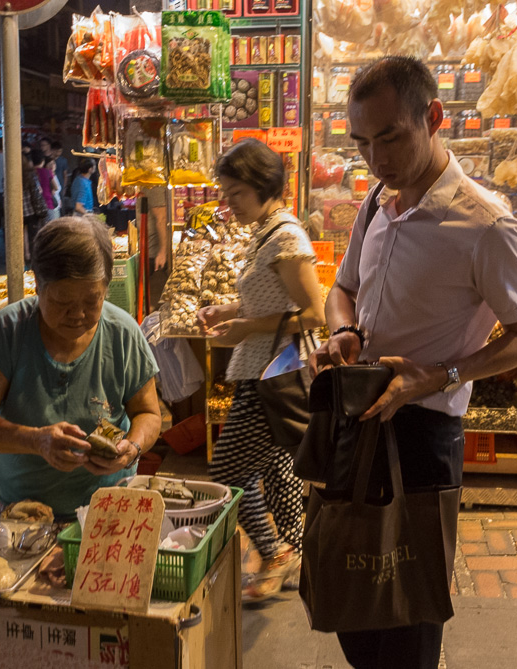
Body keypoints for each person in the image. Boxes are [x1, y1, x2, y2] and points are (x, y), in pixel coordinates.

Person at [308, 57, 517, 668]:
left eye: (390, 137)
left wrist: (440, 376)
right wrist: (343, 331)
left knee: (408, 610)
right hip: (359, 418)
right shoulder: (376, 202)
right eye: (362, 142)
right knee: (351, 595)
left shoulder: (486, 225)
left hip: (423, 436)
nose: (376, 159)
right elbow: (343, 289)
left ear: (434, 117)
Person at [0, 216, 161, 520]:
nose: (77, 314)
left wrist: (132, 447)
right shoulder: (7, 332)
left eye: (92, 301)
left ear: (106, 289)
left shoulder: (123, 333)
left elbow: (148, 414)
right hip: (22, 510)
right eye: (62, 301)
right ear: (38, 287)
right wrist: (36, 440)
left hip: (108, 508)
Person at [199, 139, 326, 602]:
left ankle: (274, 552)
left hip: (273, 373)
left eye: (236, 193)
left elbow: (313, 314)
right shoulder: (266, 231)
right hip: (263, 370)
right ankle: (295, 553)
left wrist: (246, 326)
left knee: (227, 473)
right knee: (277, 466)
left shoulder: (286, 237)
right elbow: (271, 298)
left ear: (263, 185)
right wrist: (228, 310)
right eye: (226, 192)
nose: (229, 202)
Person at [140, 185, 171, 305]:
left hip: (154, 255)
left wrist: (162, 252)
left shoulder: (154, 185)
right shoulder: (148, 183)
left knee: (155, 303)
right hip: (150, 250)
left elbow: (161, 218)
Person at [31, 148, 61, 222]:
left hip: (33, 207)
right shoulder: (47, 172)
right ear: (43, 161)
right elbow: (56, 187)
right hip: (47, 203)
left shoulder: (29, 173)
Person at [50, 141, 69, 213]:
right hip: (51, 184)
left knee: (61, 203)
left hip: (60, 183)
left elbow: (65, 174)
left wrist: (64, 186)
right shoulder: (49, 160)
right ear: (53, 150)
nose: (59, 153)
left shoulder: (63, 160)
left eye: (60, 151)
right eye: (58, 151)